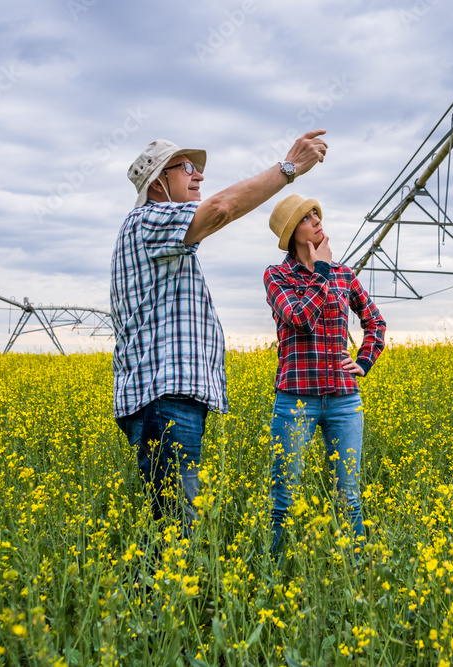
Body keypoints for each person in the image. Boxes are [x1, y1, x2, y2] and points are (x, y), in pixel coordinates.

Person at [111, 130, 328, 537]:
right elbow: (221, 208)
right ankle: (165, 600)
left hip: (168, 400)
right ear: (158, 181)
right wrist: (289, 169)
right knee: (177, 531)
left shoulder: (159, 240)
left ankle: (166, 596)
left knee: (173, 528)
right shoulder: (148, 221)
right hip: (164, 399)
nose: (199, 177)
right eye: (188, 168)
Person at [263, 194, 386, 557]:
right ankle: (275, 574)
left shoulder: (345, 275)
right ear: (292, 232)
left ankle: (356, 577)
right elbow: (299, 318)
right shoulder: (276, 276)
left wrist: (363, 362)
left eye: (317, 214)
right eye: (307, 217)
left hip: (344, 400)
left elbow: (375, 321)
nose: (317, 220)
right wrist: (321, 272)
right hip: (295, 399)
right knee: (284, 496)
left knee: (349, 498)